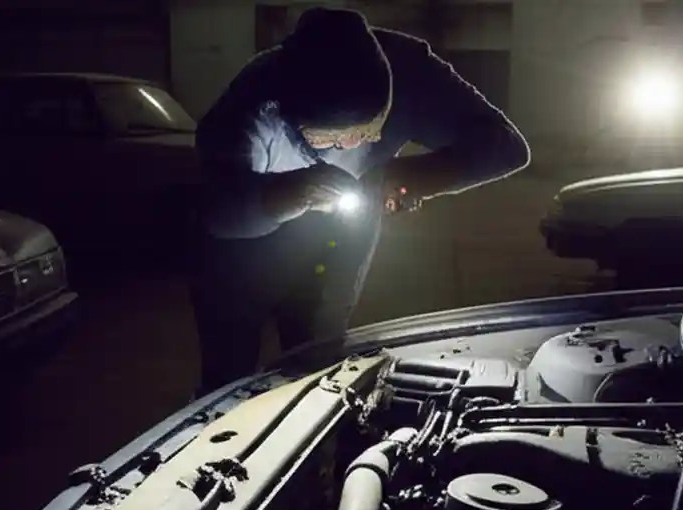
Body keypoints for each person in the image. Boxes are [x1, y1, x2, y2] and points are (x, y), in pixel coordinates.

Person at [190, 7, 529, 392]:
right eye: (330, 140)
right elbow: (217, 212)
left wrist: (408, 177)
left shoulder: (410, 72)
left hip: (337, 245)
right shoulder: (251, 105)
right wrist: (288, 193)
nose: (351, 148)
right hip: (238, 252)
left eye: (369, 132)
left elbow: (506, 147)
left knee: (318, 370)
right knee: (227, 380)